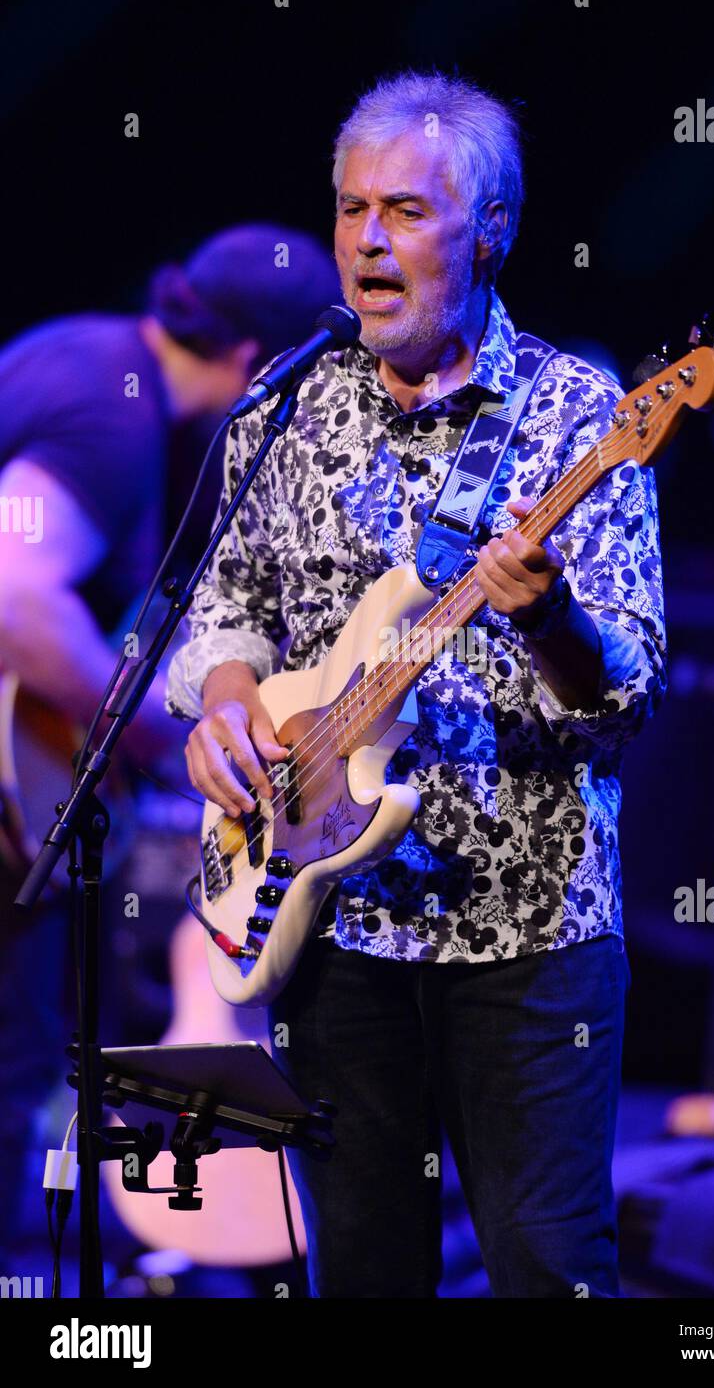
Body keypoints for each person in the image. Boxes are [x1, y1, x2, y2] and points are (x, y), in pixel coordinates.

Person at [168, 73, 667, 1298]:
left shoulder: (576, 415)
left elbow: (626, 692)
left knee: (549, 1271)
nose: (367, 240)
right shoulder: (281, 410)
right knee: (365, 1276)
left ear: (488, 230)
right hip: (333, 925)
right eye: (349, 211)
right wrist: (226, 704)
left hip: (529, 936)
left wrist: (545, 615)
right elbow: (223, 610)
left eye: (404, 210)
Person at [0, 223, 340, 1262]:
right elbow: (16, 588)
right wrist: (149, 736)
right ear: (256, 365)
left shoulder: (79, 349)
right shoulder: (115, 411)